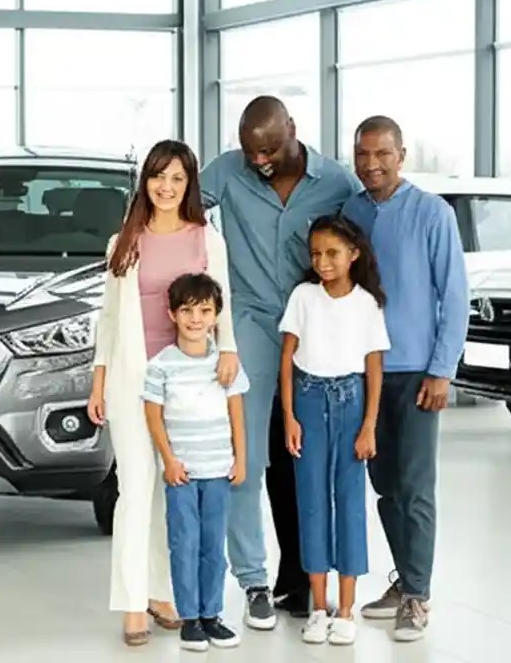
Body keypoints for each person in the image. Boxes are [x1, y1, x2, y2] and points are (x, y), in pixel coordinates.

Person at [199, 95, 361, 627]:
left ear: (292, 129)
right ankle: (252, 581)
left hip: (313, 329)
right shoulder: (226, 172)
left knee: (311, 462)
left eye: (269, 148)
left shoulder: (336, 182)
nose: (261, 159)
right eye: (251, 151)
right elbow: (175, 207)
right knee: (244, 460)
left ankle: (310, 577)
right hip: (249, 325)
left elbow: (361, 247)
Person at [87, 139, 241, 646]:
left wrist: (228, 351)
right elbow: (108, 320)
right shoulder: (124, 242)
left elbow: (225, 307)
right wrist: (99, 378)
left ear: (190, 183)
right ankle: (133, 602)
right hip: (135, 381)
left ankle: (161, 592)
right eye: (159, 176)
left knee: (173, 489)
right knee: (136, 489)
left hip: (191, 386)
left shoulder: (206, 239)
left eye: (178, 178)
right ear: (146, 181)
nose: (167, 187)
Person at [340, 115, 468, 643]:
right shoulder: (349, 213)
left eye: (382, 154)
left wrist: (442, 370)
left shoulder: (432, 214)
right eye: (362, 154)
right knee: (385, 487)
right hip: (362, 372)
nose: (371, 164)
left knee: (415, 488)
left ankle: (418, 594)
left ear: (402, 155)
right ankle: (403, 578)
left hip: (416, 373)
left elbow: (454, 296)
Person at [278, 216, 390, 646]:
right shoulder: (303, 297)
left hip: (350, 402)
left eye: (332, 253)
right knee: (311, 503)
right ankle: (318, 607)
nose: (323, 262)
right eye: (316, 254)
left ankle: (346, 609)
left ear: (353, 254)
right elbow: (287, 358)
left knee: (349, 503)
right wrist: (289, 416)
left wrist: (369, 427)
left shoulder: (366, 303)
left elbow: (373, 368)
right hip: (307, 401)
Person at [141, 272, 249, 652]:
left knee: (212, 545)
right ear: (172, 315)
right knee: (184, 542)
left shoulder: (225, 364)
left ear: (216, 315)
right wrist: (168, 460)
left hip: (218, 469)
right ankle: (190, 618)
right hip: (182, 474)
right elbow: (153, 415)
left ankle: (211, 615)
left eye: (204, 310)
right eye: (186, 310)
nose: (195, 319)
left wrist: (241, 458)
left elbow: (237, 410)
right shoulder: (161, 365)